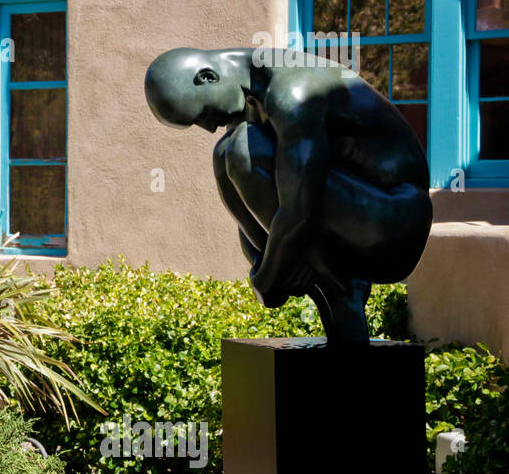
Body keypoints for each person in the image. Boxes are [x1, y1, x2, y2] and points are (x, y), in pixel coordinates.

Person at [144, 47, 432, 343]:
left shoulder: (292, 91)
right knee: (225, 151)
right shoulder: (253, 95)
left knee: (245, 148)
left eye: (202, 114)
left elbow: (300, 211)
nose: (208, 127)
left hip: (395, 223)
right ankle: (327, 284)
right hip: (353, 204)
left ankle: (340, 290)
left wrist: (267, 280)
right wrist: (266, 266)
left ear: (207, 77)